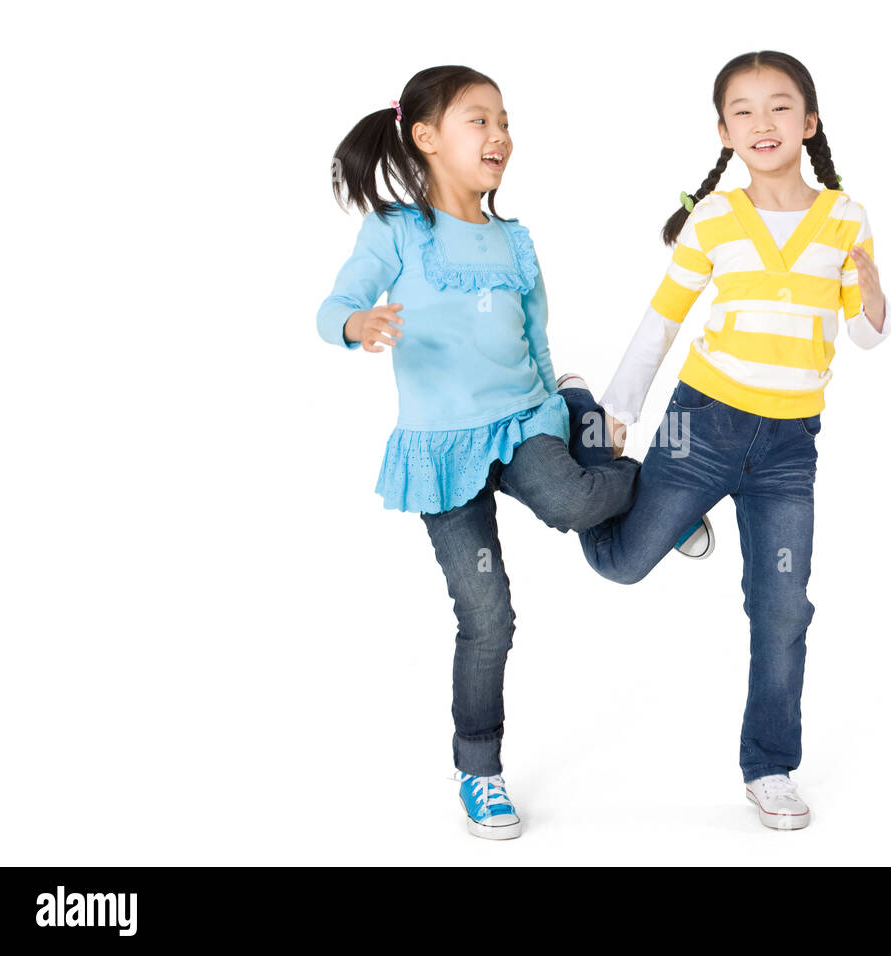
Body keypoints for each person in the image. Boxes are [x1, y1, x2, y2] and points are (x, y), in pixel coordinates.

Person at [316, 66, 703, 839]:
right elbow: (333, 307)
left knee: (571, 500)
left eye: (504, 121)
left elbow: (534, 336)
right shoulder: (395, 230)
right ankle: (480, 771)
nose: (499, 136)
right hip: (441, 449)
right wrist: (358, 327)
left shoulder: (516, 240)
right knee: (488, 615)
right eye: (478, 121)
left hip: (525, 418)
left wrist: (556, 415)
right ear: (425, 138)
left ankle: (656, 479)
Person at [557, 50, 891, 830]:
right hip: (698, 424)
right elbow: (663, 321)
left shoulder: (847, 217)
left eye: (780, 107)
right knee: (621, 564)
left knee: (781, 607)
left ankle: (769, 765)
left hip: (788, 448)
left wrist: (875, 297)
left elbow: (867, 336)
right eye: (742, 110)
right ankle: (585, 423)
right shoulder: (713, 220)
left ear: (809, 123)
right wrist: (615, 411)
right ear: (723, 131)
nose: (763, 122)